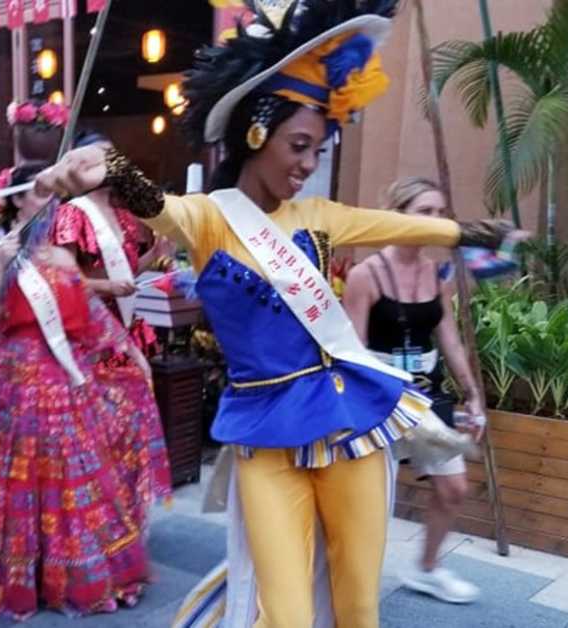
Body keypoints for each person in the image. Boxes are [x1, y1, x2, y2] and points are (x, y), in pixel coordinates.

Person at [36, 1, 523, 625]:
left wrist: (476, 236)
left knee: (356, 606)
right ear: (255, 133)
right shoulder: (210, 218)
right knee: (285, 613)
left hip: (346, 426)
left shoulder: (318, 217)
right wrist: (109, 167)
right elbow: (161, 206)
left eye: (318, 150)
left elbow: (400, 224)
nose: (307, 164)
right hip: (264, 436)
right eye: (298, 145)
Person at [0, 163, 156, 619]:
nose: (50, 202)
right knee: (15, 476)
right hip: (14, 383)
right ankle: (14, 575)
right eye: (41, 193)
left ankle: (61, 571)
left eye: (55, 194)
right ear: (18, 200)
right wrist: (0, 265)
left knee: (68, 475)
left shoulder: (64, 258)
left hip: (65, 381)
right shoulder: (3, 256)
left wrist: (130, 354)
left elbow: (93, 319)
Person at [343, 177, 486, 604]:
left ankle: (426, 568)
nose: (435, 220)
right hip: (379, 396)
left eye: (441, 213)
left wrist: (472, 393)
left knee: (453, 488)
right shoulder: (365, 275)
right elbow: (352, 351)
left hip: (427, 394)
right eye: (425, 212)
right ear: (397, 214)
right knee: (369, 502)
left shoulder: (435, 275)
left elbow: (450, 340)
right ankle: (347, 582)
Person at [53, 131, 174, 525]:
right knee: (95, 433)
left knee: (128, 430)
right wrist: (107, 287)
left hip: (126, 332)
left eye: (110, 158)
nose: (106, 166)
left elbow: (127, 273)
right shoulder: (72, 213)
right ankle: (92, 521)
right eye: (96, 158)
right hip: (91, 338)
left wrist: (154, 255)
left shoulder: (124, 216)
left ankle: (124, 515)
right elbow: (61, 281)